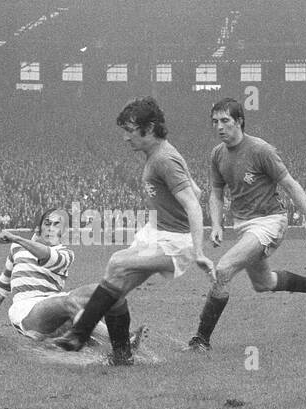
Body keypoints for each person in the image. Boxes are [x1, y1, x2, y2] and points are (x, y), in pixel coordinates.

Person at [54, 96, 215, 363]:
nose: (125, 138)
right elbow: (195, 191)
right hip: (157, 232)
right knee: (115, 288)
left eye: (129, 130)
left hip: (174, 243)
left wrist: (199, 251)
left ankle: (79, 335)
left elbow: (194, 205)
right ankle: (119, 354)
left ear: (149, 128)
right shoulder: (159, 155)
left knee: (117, 263)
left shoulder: (164, 159)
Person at [183, 98, 306, 352]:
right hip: (244, 226)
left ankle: (201, 339)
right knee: (263, 283)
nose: (219, 127)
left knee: (224, 269)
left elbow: (290, 185)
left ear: (239, 121)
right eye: (215, 122)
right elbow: (216, 193)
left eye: (225, 121)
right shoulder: (217, 154)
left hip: (269, 222)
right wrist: (217, 224)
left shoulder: (261, 150)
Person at [0, 208, 140, 348]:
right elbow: (1, 287)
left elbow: (45, 255)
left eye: (58, 226)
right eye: (49, 224)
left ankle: (97, 340)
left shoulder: (64, 253)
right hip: (27, 310)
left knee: (104, 290)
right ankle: (119, 341)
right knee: (70, 303)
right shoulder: (16, 250)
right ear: (39, 228)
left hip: (57, 307)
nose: (53, 229)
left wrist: (17, 238)